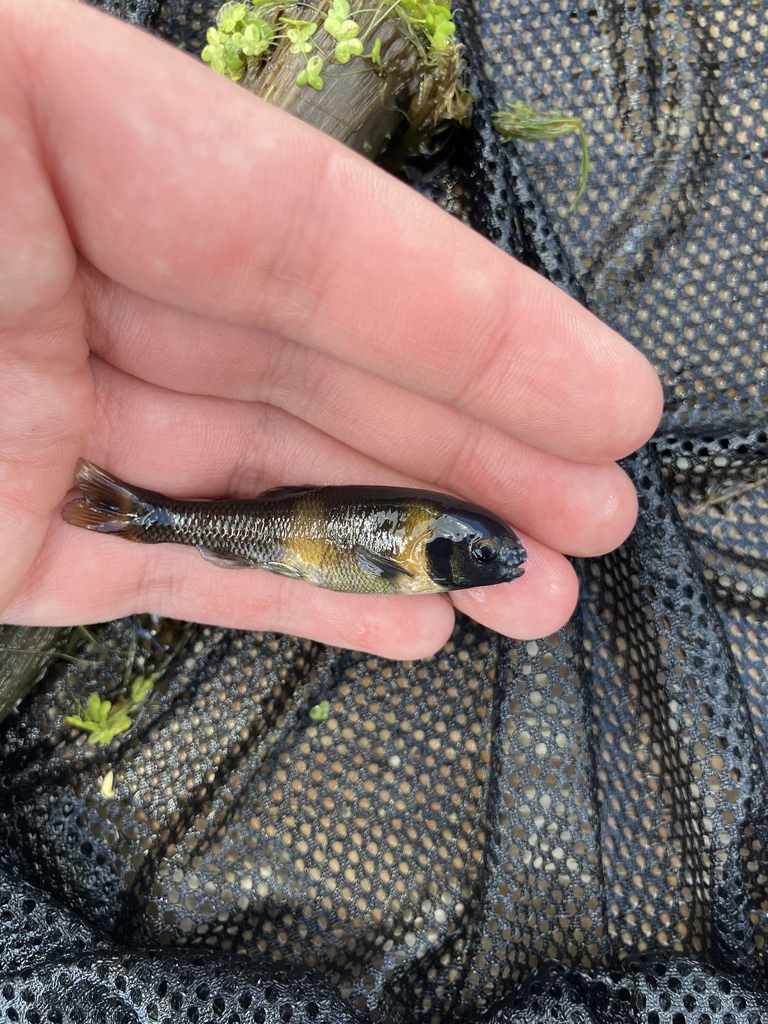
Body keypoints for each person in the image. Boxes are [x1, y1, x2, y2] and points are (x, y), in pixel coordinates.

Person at [0, 0, 662, 659]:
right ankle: (152, 517)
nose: (497, 559)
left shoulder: (418, 548)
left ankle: (153, 517)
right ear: (449, 550)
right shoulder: (412, 552)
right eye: (488, 553)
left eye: (489, 554)